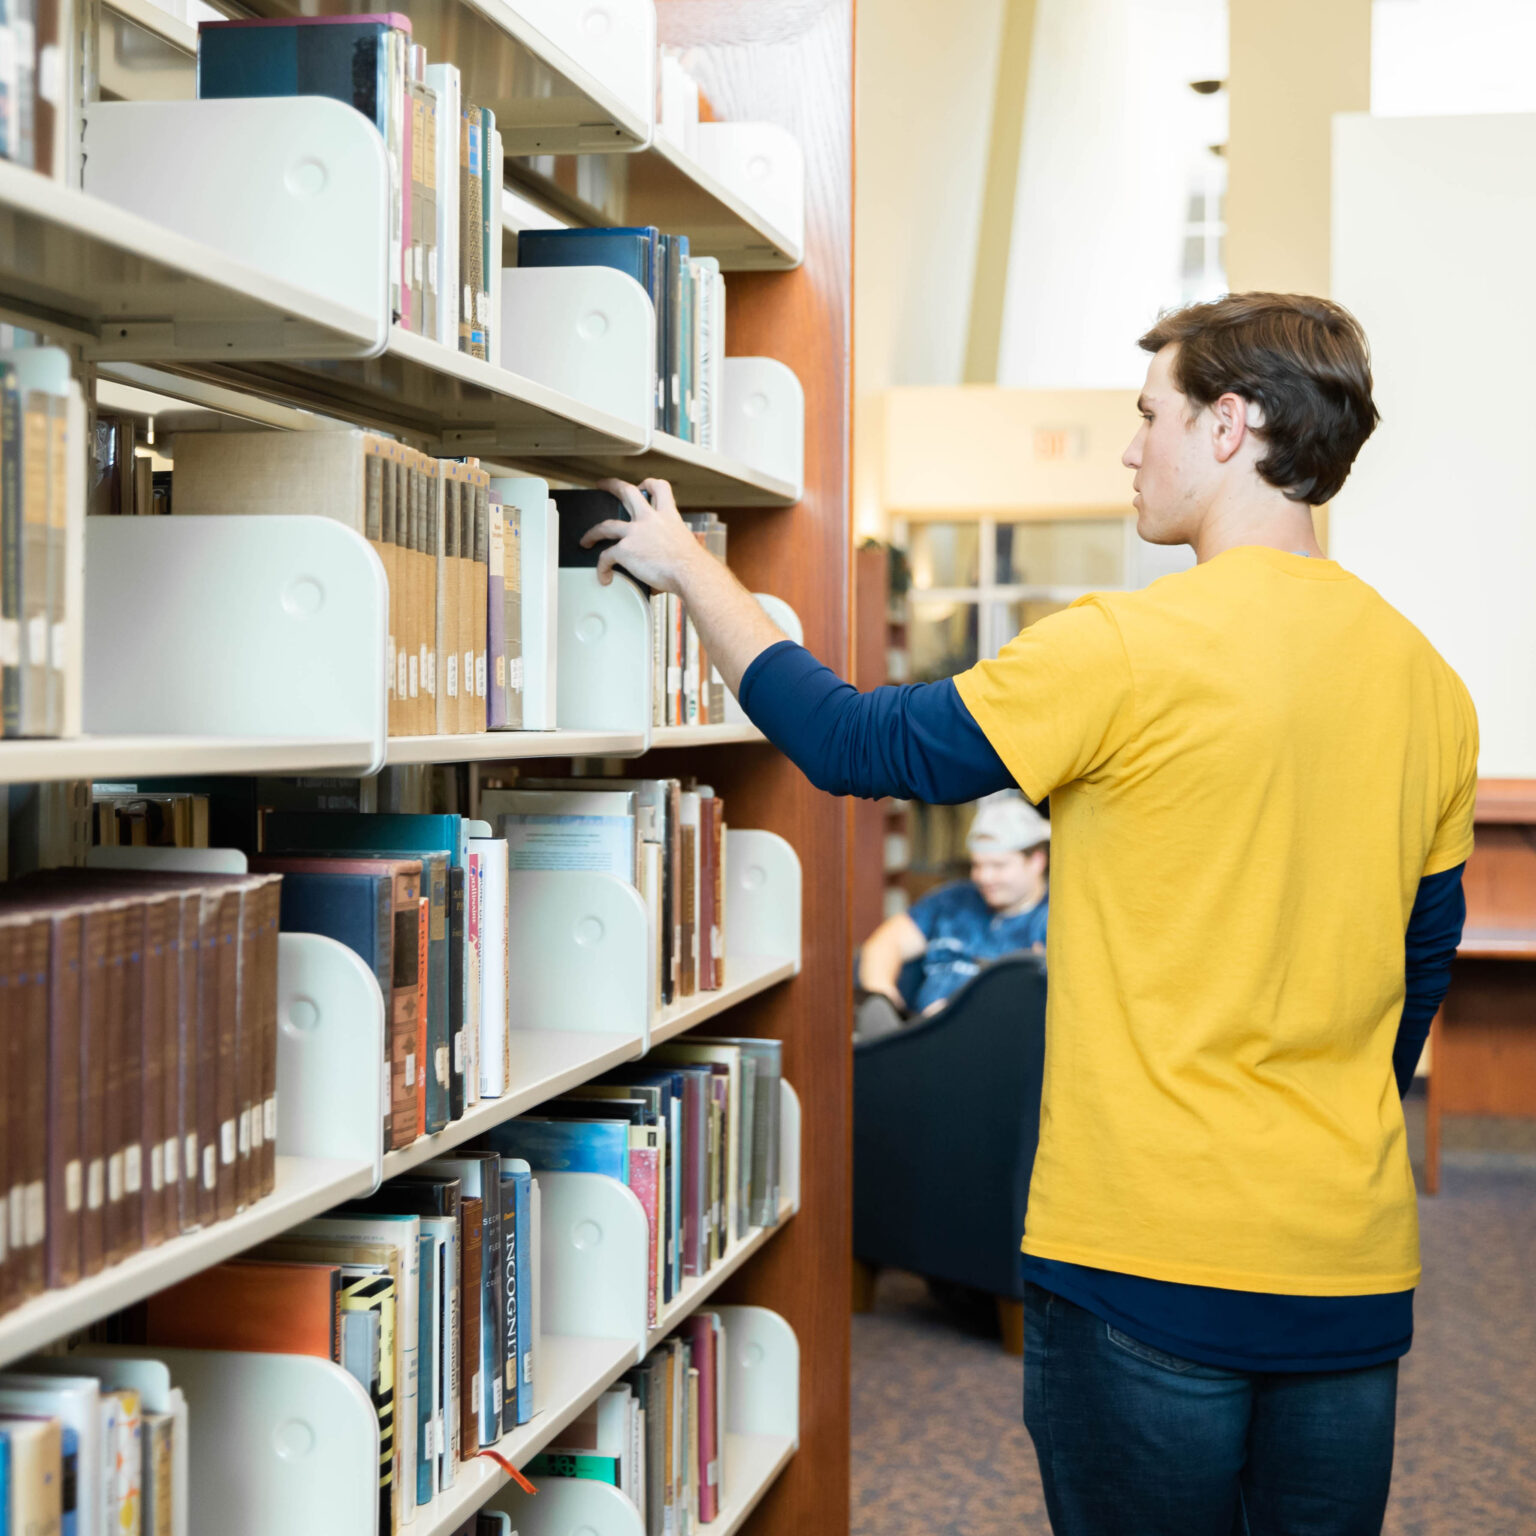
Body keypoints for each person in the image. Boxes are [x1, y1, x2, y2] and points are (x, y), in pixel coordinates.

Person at [584, 291, 1475, 1536]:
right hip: (1348, 1266)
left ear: (1230, 425)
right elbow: (1418, 970)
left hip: (1145, 1260)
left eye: (1147, 415)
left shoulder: (1123, 650)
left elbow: (852, 740)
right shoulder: (1430, 684)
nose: (1129, 447)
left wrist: (692, 570)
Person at [855, 791, 1049, 1040]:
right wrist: (884, 998)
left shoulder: (1052, 919)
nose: (984, 878)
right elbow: (885, 943)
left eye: (998, 866)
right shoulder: (952, 900)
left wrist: (956, 1015)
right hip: (921, 1035)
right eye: (977, 865)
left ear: (1036, 861)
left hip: (996, 1047)